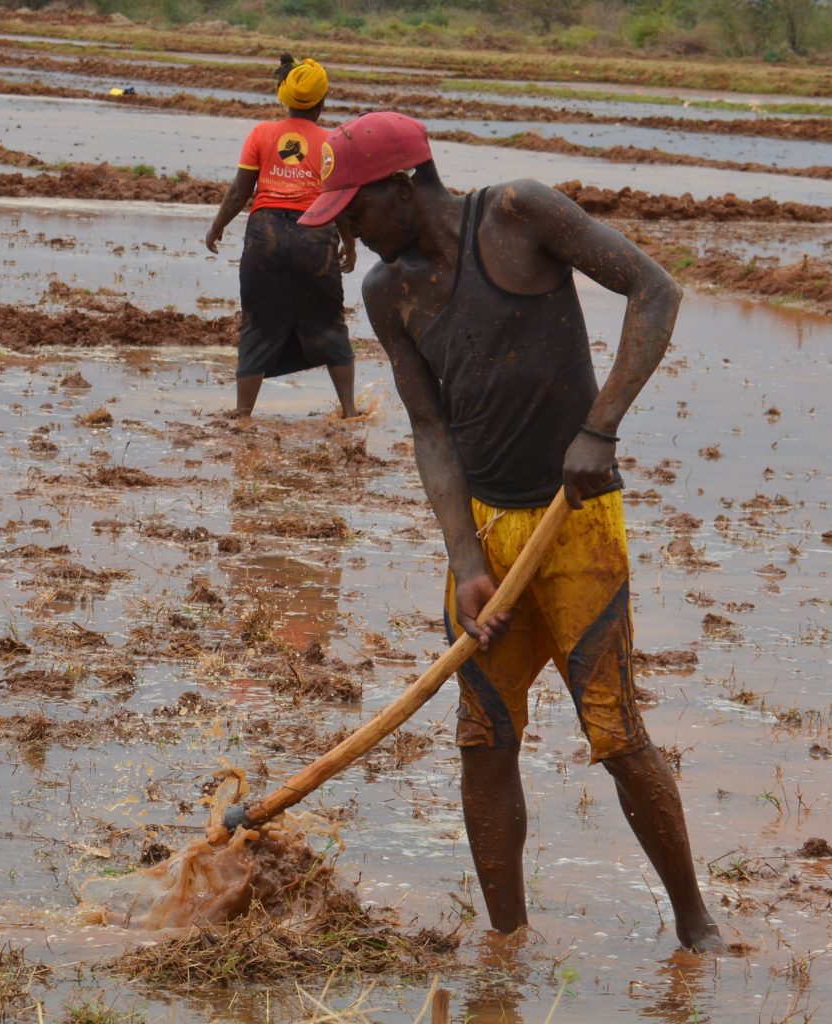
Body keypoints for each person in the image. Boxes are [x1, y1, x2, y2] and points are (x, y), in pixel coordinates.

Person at [299, 111, 726, 953]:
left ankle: (694, 925)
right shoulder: (390, 292)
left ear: (403, 184)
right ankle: (507, 940)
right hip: (489, 530)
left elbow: (655, 290)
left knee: (614, 730)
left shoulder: (518, 214)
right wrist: (464, 559)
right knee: (484, 737)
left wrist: (599, 430)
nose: (348, 231)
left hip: (578, 527)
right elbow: (430, 431)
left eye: (354, 209)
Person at [205, 54, 358, 418]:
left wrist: (217, 224)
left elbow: (241, 190)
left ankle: (243, 414)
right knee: (328, 322)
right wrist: (350, 243)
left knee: (259, 322)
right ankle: (350, 412)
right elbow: (342, 200)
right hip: (315, 236)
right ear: (322, 102)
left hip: (265, 237)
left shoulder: (261, 134)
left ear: (285, 99)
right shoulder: (334, 143)